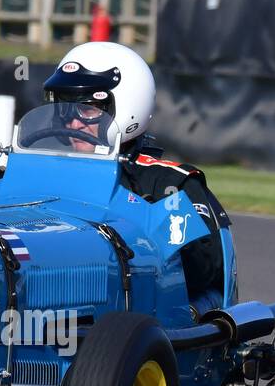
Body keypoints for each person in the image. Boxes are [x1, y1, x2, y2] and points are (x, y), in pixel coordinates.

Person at [35, 41, 229, 309]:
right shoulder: (38, 171)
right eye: (65, 109)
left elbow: (200, 269)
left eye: (87, 109)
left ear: (129, 107)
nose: (73, 122)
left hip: (131, 321)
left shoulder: (167, 183)